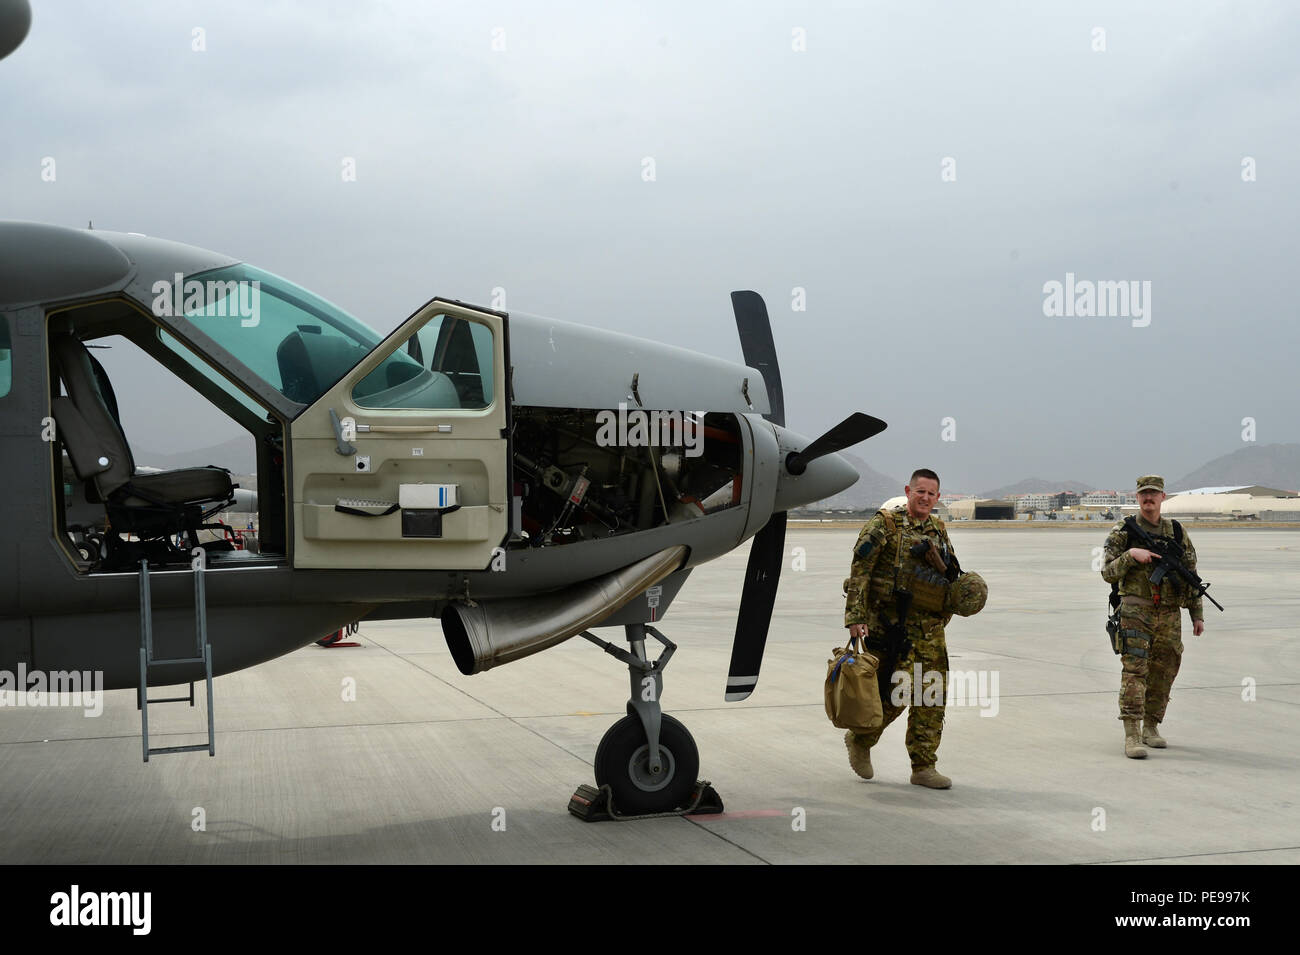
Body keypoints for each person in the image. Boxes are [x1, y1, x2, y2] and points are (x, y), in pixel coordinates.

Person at [842, 469, 961, 789]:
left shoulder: (937, 527)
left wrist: (957, 600)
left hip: (931, 629)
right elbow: (860, 570)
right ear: (909, 490)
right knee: (893, 694)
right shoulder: (885, 524)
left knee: (932, 695)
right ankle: (862, 741)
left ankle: (923, 766)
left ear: (938, 497)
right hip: (892, 627)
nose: (924, 498)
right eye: (919, 491)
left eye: (931, 494)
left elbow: (951, 571)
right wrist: (855, 617)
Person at [1100, 475, 1206, 758]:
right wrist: (1131, 555)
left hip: (1169, 614)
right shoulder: (1125, 531)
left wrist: (1197, 614)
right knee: (1135, 671)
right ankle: (1132, 735)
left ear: (1163, 497)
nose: (1149, 498)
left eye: (1154, 494)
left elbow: (1191, 575)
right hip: (1136, 610)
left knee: (1165, 670)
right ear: (1137, 497)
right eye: (1144, 493)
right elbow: (1107, 571)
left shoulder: (1177, 532)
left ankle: (1151, 726)